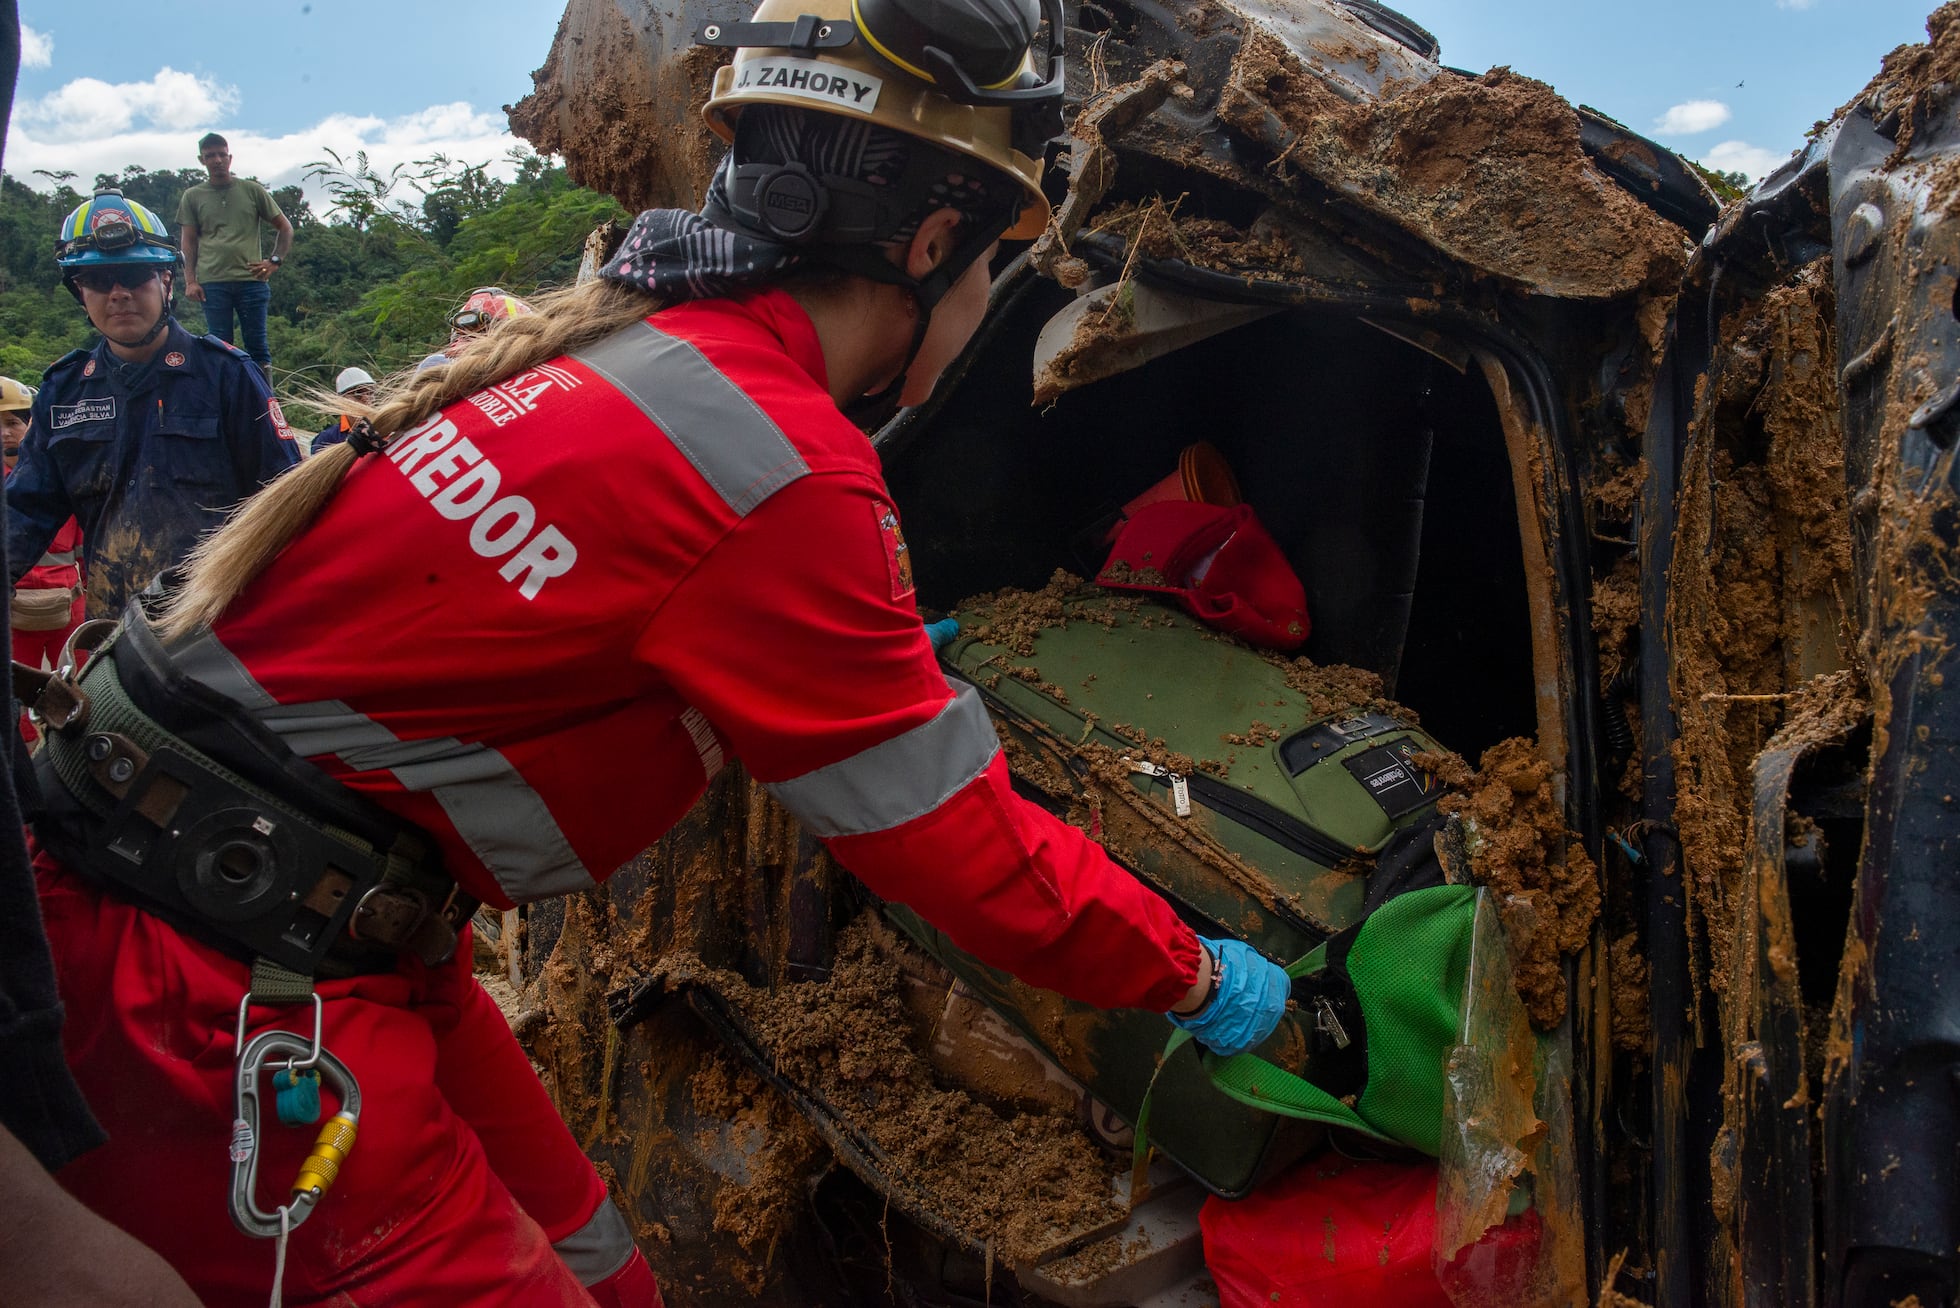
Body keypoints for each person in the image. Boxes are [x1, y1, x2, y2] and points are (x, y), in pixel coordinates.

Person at [23, 1, 1290, 1305]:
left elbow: (603, 597)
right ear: (925, 243)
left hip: (263, 901)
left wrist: (868, 660)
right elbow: (961, 855)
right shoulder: (788, 463)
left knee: (609, 1269)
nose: (987, 303)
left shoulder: (632, 356)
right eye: (985, 267)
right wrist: (1196, 973)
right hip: (211, 972)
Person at [5, 190, 300, 619]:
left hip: (219, 625)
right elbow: (24, 512)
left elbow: (286, 500)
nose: (119, 293)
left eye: (134, 273)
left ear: (166, 281)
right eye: (100, 280)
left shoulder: (226, 375)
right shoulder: (63, 393)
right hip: (113, 636)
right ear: (79, 291)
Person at [1, 376, 85, 744]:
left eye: (12, 423)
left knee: (77, 685)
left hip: (68, 602)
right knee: (16, 689)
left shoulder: (59, 472)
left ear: (30, 423)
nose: (4, 433)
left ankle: (72, 751)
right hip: (17, 607)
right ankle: (27, 760)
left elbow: (83, 540)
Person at [177, 132, 293, 370]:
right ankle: (226, 403)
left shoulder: (252, 190)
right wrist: (190, 281)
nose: (217, 160)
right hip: (212, 282)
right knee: (219, 346)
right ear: (202, 160)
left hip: (251, 280)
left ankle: (264, 400)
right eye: (211, 156)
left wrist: (274, 261)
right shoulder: (193, 196)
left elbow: (285, 228)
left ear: (230, 158)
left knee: (257, 346)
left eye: (221, 154)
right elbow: (188, 242)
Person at [310, 366, 376, 454]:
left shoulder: (384, 429)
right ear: (341, 400)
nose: (366, 398)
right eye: (359, 392)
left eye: (370, 392)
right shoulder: (327, 439)